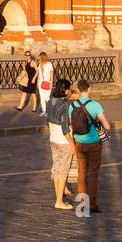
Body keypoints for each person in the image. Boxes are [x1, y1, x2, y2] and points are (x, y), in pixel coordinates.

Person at [69, 80, 111, 214]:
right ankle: (92, 204)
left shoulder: (72, 105)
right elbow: (107, 126)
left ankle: (82, 203)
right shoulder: (95, 105)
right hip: (93, 142)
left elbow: (71, 124)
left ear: (77, 89)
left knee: (81, 172)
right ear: (89, 89)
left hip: (79, 143)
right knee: (93, 173)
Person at [43, 75, 75, 211]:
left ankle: (58, 196)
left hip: (53, 139)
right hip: (63, 141)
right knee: (63, 171)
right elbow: (65, 128)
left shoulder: (50, 101)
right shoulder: (64, 106)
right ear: (66, 91)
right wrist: (72, 144)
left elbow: (48, 120)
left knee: (56, 168)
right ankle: (59, 201)